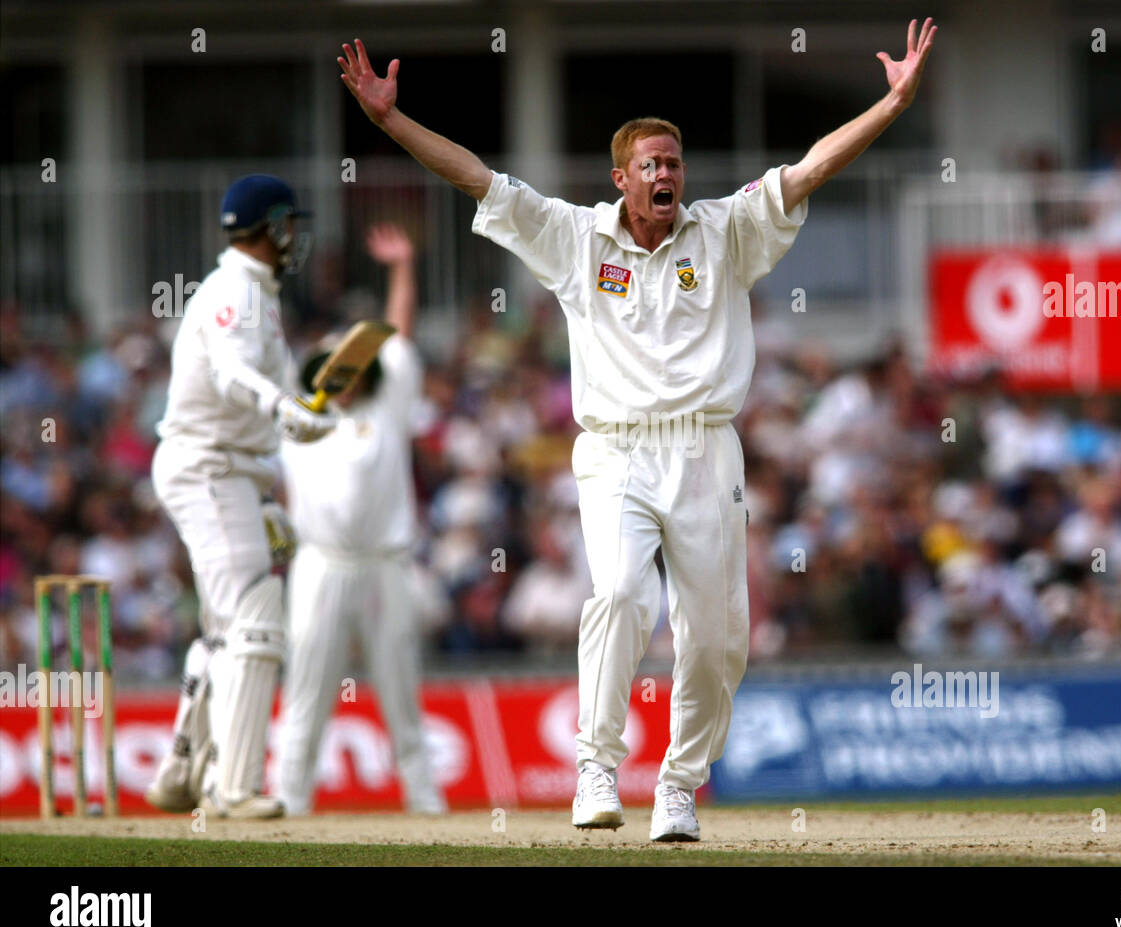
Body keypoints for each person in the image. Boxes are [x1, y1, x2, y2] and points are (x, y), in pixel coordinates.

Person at [338, 18, 936, 841]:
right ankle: (594, 766)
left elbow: (808, 170)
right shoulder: (576, 237)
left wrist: (890, 106)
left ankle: (680, 785)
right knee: (618, 592)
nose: (665, 174)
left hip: (705, 449)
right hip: (615, 448)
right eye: (650, 165)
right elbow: (479, 179)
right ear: (621, 178)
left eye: (674, 163)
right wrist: (389, 123)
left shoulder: (724, 229)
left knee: (718, 636)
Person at [146, 175, 337, 819]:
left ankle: (179, 768)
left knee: (226, 627)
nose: (296, 239)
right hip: (208, 468)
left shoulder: (258, 292)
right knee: (255, 620)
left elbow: (259, 387)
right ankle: (233, 787)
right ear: (273, 227)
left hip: (233, 472)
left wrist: (300, 416)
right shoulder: (234, 290)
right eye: (290, 225)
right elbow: (230, 372)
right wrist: (281, 405)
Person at [273, 223, 447, 816]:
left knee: (400, 686)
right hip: (321, 564)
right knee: (307, 688)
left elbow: (396, 335)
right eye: (334, 367)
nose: (345, 376)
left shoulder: (389, 400)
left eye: (354, 365)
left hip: (387, 564)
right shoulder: (296, 418)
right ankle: (287, 799)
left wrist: (402, 266)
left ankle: (424, 800)